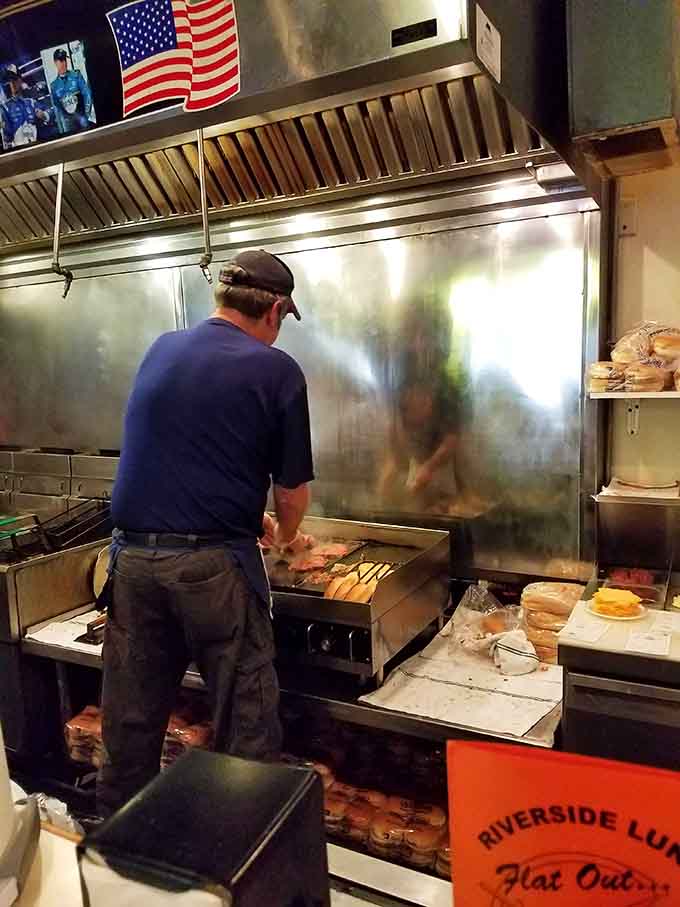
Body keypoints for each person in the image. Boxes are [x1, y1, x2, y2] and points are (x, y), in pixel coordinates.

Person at [97, 250, 315, 816]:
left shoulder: (162, 348)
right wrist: (284, 536)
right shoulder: (278, 369)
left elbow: (184, 455)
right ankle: (236, 858)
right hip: (212, 572)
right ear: (275, 309)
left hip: (131, 562)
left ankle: (118, 853)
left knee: (131, 719)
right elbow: (292, 494)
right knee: (244, 720)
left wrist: (245, 515)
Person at [0, 64, 48, 149]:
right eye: (9, 81)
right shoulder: (4, 108)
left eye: (14, 79)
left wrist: (44, 115)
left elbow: (49, 112)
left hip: (38, 147)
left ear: (20, 80)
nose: (12, 83)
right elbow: (6, 137)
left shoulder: (31, 102)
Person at [49, 48, 92, 135]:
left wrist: (86, 115)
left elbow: (87, 94)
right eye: (61, 60)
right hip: (69, 125)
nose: (64, 63)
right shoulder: (54, 86)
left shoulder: (76, 75)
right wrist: (66, 121)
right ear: (55, 62)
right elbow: (57, 106)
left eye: (65, 60)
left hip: (83, 120)